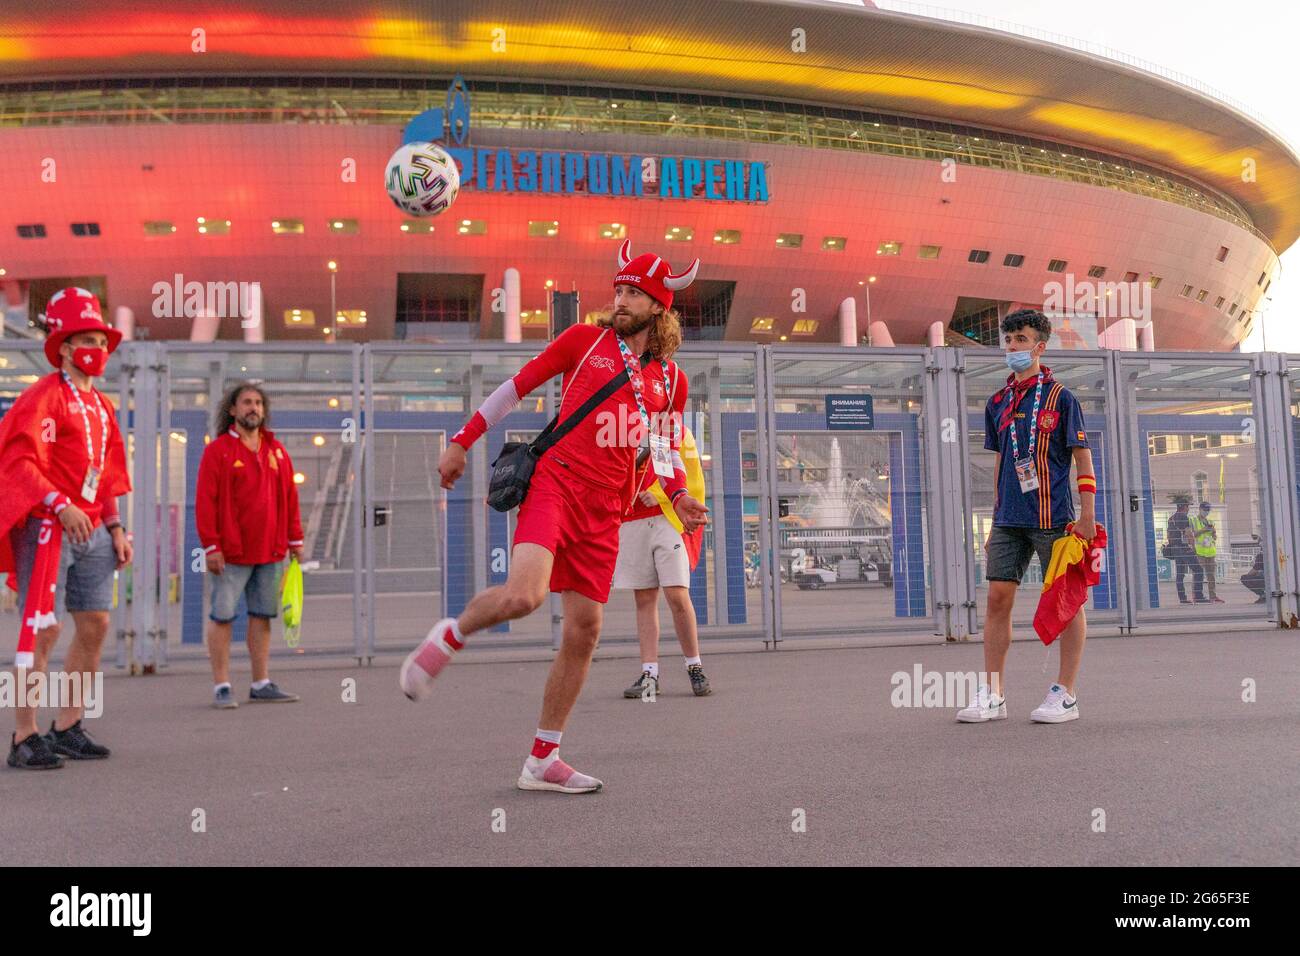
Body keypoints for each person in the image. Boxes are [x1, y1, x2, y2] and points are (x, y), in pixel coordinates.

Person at [398, 240, 710, 793]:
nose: (621, 298)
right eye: (618, 288)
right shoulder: (584, 341)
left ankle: (542, 760)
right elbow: (515, 388)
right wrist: (462, 441)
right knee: (525, 596)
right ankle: (452, 633)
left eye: (633, 292)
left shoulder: (671, 381)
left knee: (585, 632)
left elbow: (662, 447)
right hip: (556, 484)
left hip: (606, 511)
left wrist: (677, 492)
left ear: (659, 306)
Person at [0, 288, 132, 769]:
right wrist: (59, 504)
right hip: (49, 528)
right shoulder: (43, 397)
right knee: (43, 628)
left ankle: (68, 725)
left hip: (94, 528)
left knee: (95, 623)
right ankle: (23, 735)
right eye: (85, 338)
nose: (96, 346)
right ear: (64, 346)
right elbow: (18, 460)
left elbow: (107, 472)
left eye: (100, 337)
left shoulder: (102, 407)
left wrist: (115, 525)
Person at [958, 309, 1096, 725]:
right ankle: (993, 694)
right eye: (1009, 340)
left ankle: (1065, 693)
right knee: (998, 599)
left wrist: (1087, 515)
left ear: (1040, 346)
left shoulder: (1061, 398)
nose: (1013, 347)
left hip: (1054, 516)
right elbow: (1002, 463)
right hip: (1008, 520)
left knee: (1066, 603)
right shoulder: (997, 402)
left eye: (1021, 339)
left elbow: (1083, 458)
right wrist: (993, 519)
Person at [196, 383, 305, 708]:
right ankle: (222, 687)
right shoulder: (217, 451)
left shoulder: (277, 451)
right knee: (223, 617)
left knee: (262, 616)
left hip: (270, 551)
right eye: (246, 403)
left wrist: (295, 540)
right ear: (232, 410)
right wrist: (211, 546)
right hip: (229, 554)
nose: (253, 408)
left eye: (258, 403)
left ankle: (261, 682)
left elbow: (290, 497)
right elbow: (205, 502)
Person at [615, 364, 712, 700]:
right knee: (644, 598)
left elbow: (687, 472)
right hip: (632, 520)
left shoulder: (675, 428)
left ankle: (694, 666)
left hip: (667, 517)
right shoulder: (620, 425)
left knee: (676, 595)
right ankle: (649, 674)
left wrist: (657, 494)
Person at [1166, 495, 1204, 604]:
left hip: (1175, 549)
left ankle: (1182, 598)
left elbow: (1168, 534)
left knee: (1180, 574)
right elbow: (1188, 533)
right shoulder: (1183, 517)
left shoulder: (1171, 518)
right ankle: (1198, 595)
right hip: (1184, 548)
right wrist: (1193, 547)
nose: (1189, 509)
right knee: (1198, 570)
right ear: (1184, 507)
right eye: (1188, 506)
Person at [1188, 501, 1223, 603]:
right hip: (1199, 552)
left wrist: (1213, 533)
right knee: (1198, 574)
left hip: (1210, 552)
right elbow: (1192, 535)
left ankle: (1213, 596)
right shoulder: (1193, 520)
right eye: (1205, 510)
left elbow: (1214, 537)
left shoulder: (1210, 521)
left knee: (1211, 576)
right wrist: (1203, 530)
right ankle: (1196, 595)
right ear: (1200, 509)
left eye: (1208, 510)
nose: (1206, 512)